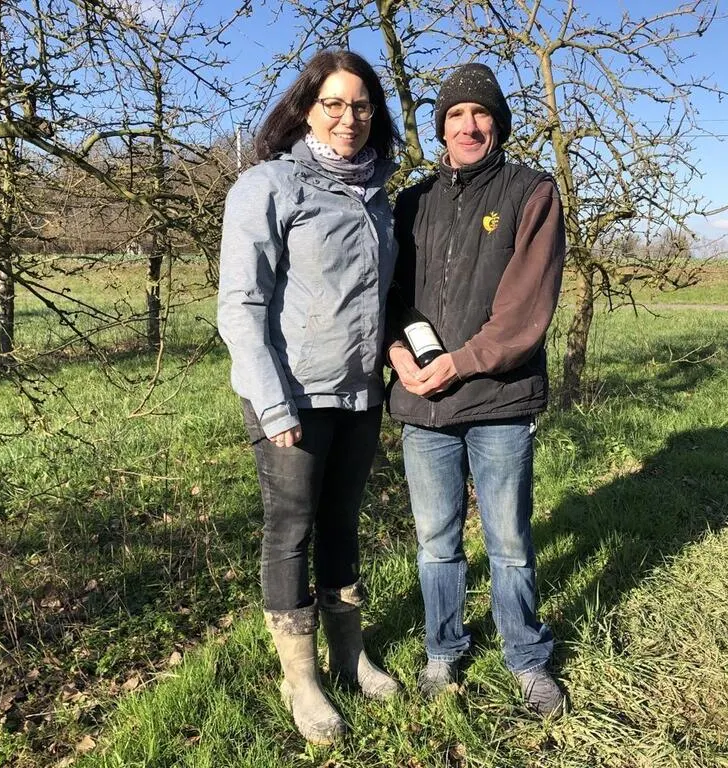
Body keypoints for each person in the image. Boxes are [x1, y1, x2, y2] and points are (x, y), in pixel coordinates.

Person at [217, 50, 402, 744]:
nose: (348, 118)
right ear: (307, 108)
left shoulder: (377, 194)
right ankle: (302, 679)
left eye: (360, 105)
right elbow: (240, 305)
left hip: (360, 397)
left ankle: (350, 655)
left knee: (344, 524)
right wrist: (271, 404)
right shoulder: (269, 186)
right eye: (333, 103)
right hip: (290, 397)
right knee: (289, 532)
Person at [386, 63, 566, 716]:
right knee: (437, 541)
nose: (469, 124)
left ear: (499, 124)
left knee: (509, 541)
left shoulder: (532, 193)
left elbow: (524, 309)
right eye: (456, 114)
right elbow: (390, 296)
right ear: (441, 127)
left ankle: (526, 659)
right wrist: (397, 354)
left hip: (499, 400)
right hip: (423, 406)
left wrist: (461, 363)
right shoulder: (411, 203)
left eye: (481, 114)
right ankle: (444, 652)